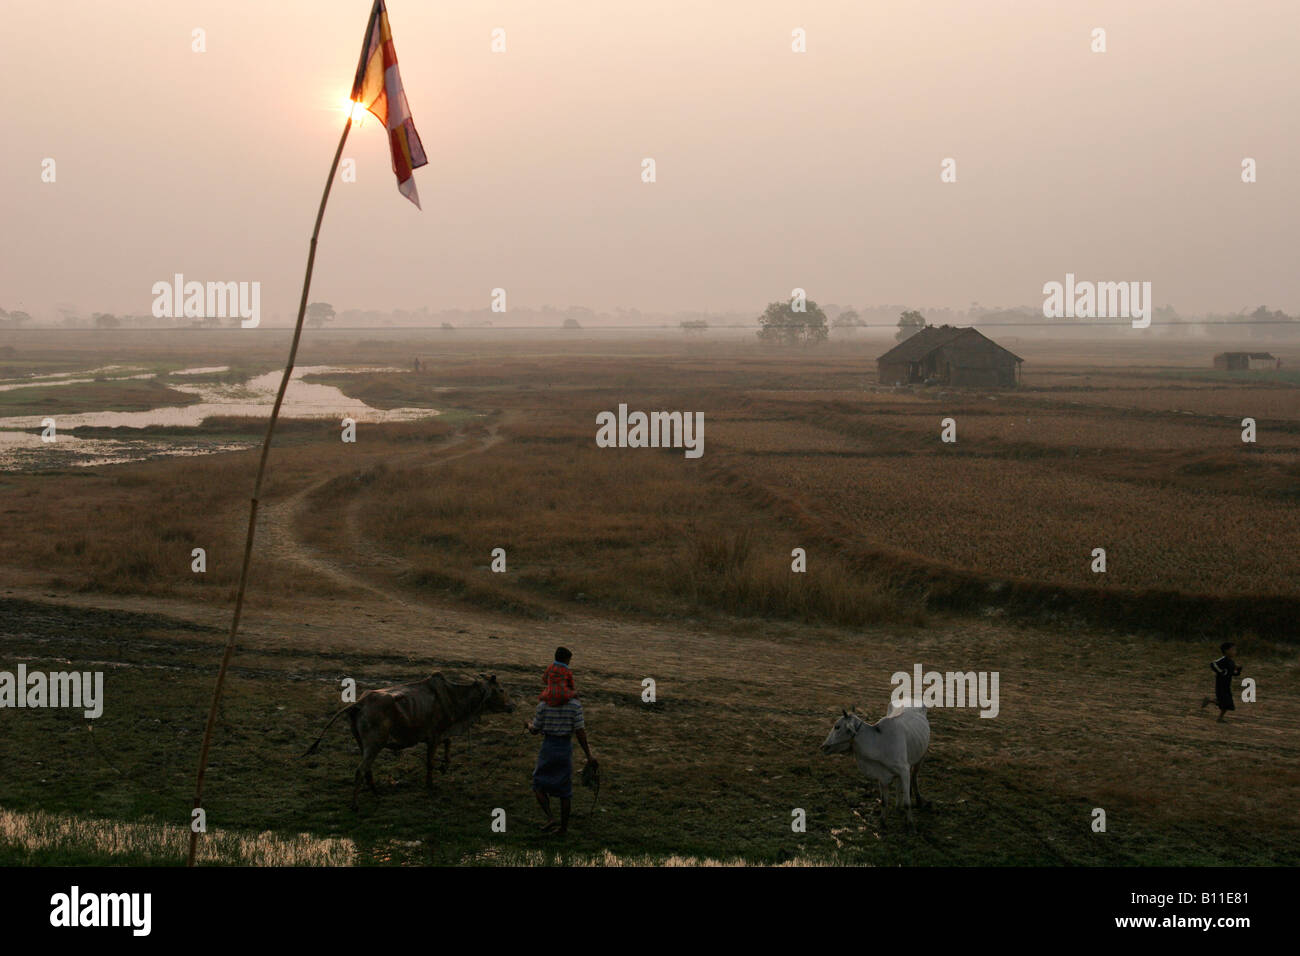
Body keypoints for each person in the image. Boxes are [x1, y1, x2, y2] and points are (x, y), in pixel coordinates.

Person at [527, 689, 595, 835]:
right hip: (565, 748)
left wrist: (528, 725)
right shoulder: (575, 705)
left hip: (548, 747)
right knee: (565, 791)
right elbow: (580, 731)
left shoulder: (543, 705)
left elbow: (535, 730)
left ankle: (550, 817)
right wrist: (589, 755)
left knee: (538, 785)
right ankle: (563, 828)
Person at [1202, 642, 1243, 722]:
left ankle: (1219, 715)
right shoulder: (1223, 660)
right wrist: (1221, 672)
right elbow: (1213, 664)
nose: (1235, 652)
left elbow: (1234, 674)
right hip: (1220, 685)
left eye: (1235, 650)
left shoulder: (1231, 662)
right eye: (1233, 650)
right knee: (1225, 702)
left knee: (1228, 703)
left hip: (1227, 685)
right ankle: (1212, 703)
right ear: (1226, 651)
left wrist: (1239, 669)